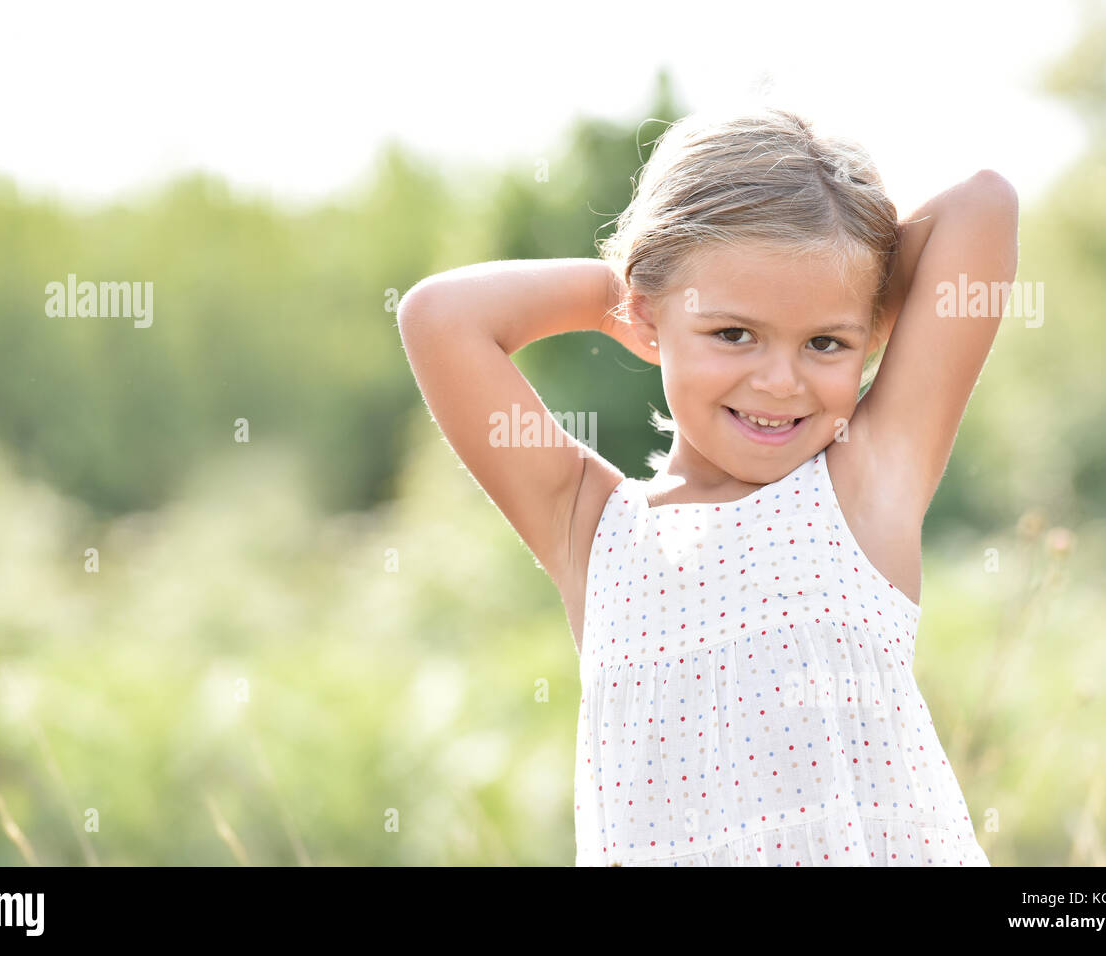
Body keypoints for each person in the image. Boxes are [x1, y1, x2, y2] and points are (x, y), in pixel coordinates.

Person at [397, 105, 1018, 866]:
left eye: (825, 342)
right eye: (734, 333)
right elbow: (439, 316)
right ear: (650, 314)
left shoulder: (865, 481)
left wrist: (853, 283)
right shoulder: (590, 530)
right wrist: (617, 294)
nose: (780, 381)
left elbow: (984, 206)